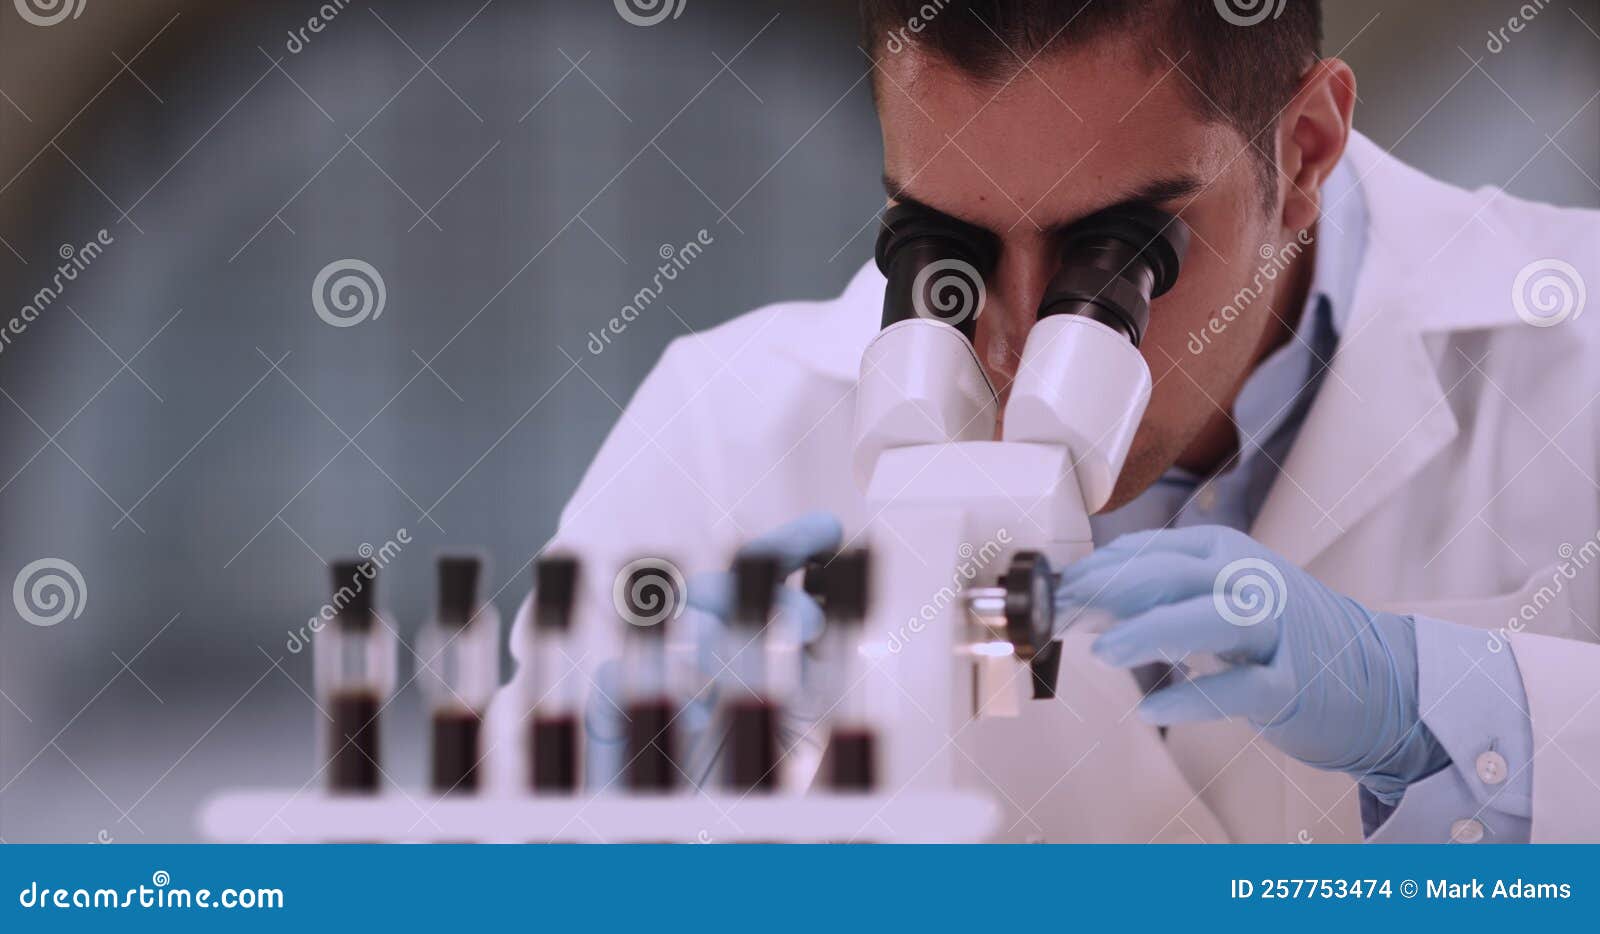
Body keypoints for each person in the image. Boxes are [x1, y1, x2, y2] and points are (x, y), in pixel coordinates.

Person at [487, 0, 1600, 842]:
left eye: (1121, 255)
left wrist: (1454, 709)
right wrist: (617, 844)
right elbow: (470, 873)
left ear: (1304, 147)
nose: (1018, 345)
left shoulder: (1574, 342)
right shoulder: (725, 427)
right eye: (948, 248)